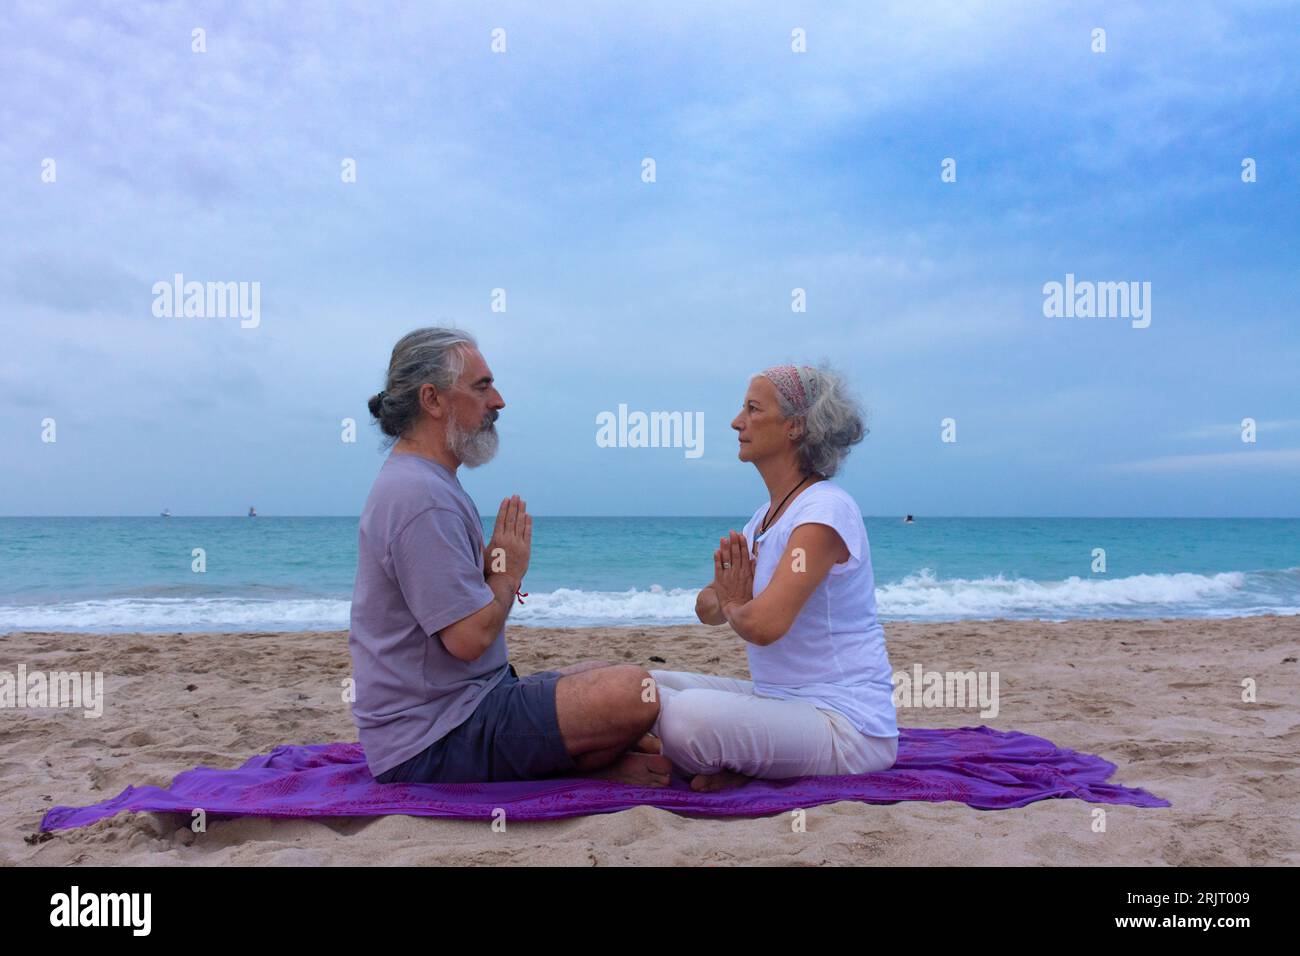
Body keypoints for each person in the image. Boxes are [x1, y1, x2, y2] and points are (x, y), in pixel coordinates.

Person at [348, 327, 670, 786]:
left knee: (613, 676)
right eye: (482, 386)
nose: (498, 401)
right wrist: (507, 570)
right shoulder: (420, 496)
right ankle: (595, 765)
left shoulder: (427, 481)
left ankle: (597, 761)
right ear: (433, 400)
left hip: (471, 702)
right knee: (631, 695)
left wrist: (490, 568)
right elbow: (468, 640)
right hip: (433, 739)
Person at [649, 364, 899, 791]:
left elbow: (763, 626)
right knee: (640, 686)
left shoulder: (824, 512)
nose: (736, 421)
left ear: (795, 427)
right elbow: (706, 608)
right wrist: (730, 599)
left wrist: (733, 603)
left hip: (846, 725)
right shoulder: (765, 518)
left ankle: (734, 763)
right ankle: (741, 764)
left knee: (687, 717)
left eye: (752, 409)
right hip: (779, 703)